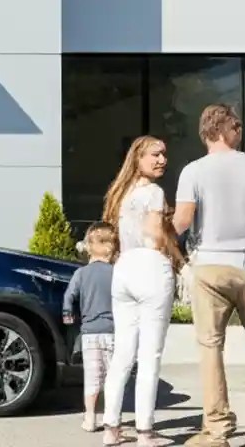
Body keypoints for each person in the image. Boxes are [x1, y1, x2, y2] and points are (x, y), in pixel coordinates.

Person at [171, 103, 245, 447]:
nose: (241, 132)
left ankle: (217, 430)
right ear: (221, 128)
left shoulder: (192, 171)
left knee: (210, 349)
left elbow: (183, 221)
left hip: (210, 267)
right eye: (237, 126)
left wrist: (160, 236)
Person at [100, 136, 185, 447]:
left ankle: (111, 427)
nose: (162, 160)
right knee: (150, 355)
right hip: (150, 268)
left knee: (122, 354)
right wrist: (181, 262)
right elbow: (155, 235)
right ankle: (145, 431)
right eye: (155, 155)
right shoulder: (153, 192)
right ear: (138, 158)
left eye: (164, 154)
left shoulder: (121, 193)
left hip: (124, 269)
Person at [63, 221, 117, 433]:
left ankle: (90, 418)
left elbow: (69, 296)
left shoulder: (81, 274)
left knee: (92, 379)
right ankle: (112, 418)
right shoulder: (116, 272)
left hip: (89, 334)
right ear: (110, 248)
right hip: (112, 332)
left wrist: (68, 314)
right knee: (113, 378)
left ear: (89, 248)